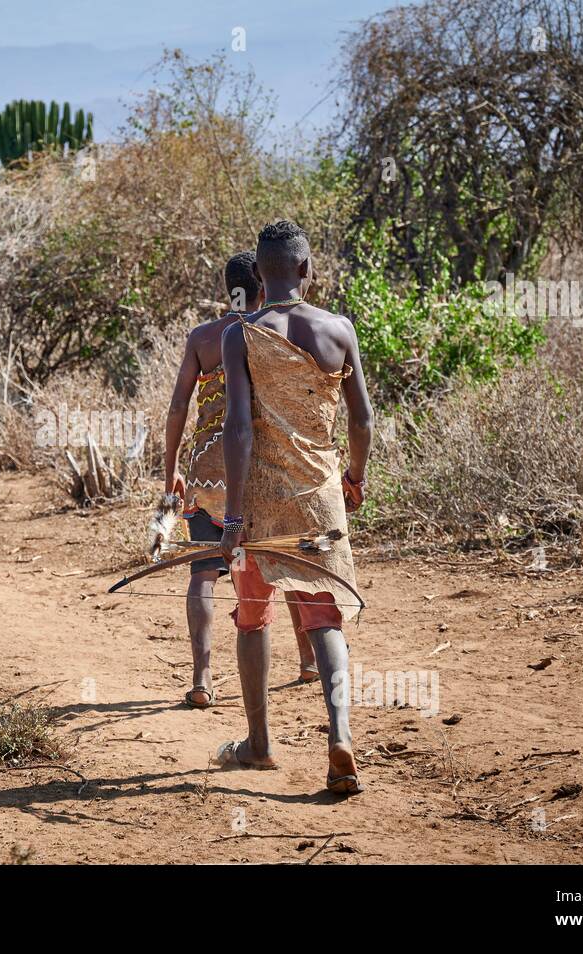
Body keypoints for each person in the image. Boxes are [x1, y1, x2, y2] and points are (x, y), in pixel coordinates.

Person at [217, 220, 374, 795]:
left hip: (259, 502)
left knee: (253, 614)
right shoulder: (339, 330)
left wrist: (233, 519)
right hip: (319, 497)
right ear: (307, 269)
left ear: (257, 274)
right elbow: (362, 420)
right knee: (325, 616)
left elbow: (238, 429)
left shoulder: (242, 336)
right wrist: (353, 477)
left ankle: (258, 746)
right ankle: (341, 735)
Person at [162, 252, 319, 709]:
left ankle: (202, 678)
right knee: (280, 559)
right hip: (265, 471)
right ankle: (309, 660)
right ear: (264, 285)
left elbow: (177, 409)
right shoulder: (272, 333)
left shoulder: (204, 338)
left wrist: (170, 467)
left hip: (209, 474)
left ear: (225, 289)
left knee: (204, 571)